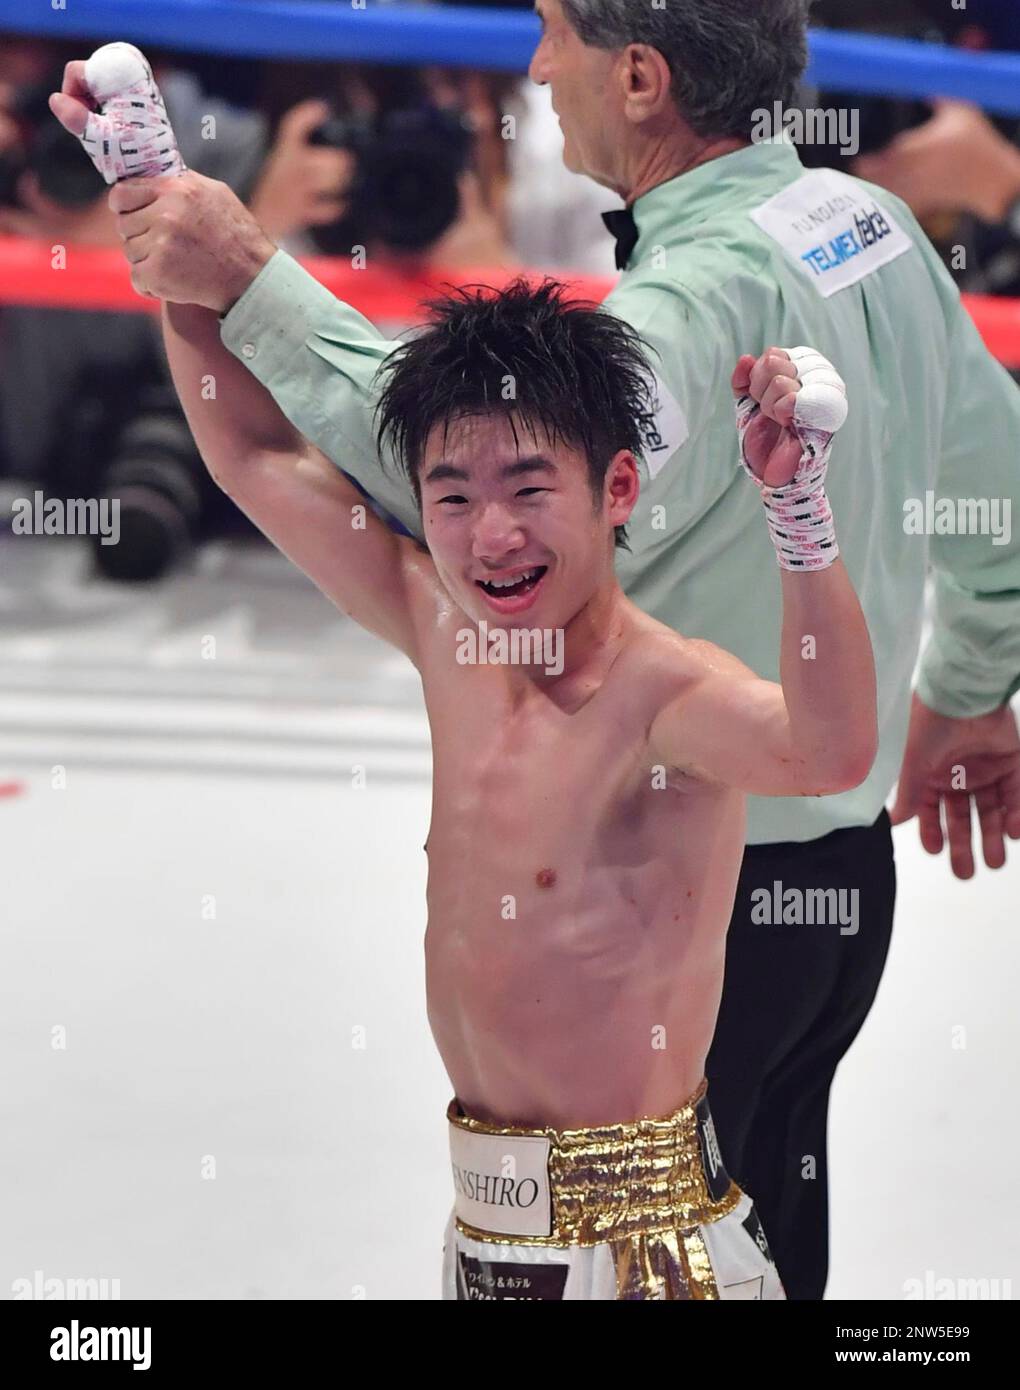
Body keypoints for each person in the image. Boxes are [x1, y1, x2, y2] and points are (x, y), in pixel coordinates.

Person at [51, 0, 1020, 1299]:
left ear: (638, 74)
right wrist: (966, 691)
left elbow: (442, 454)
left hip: (698, 904)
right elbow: (998, 478)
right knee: (783, 1238)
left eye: (553, 31)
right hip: (838, 891)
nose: (533, 64)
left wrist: (254, 276)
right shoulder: (866, 227)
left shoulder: (694, 306)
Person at [171, 257, 873, 1297]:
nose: (490, 536)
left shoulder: (664, 694)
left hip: (644, 1251)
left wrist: (800, 510)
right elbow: (250, 454)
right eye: (451, 496)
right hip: (487, 1234)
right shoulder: (444, 632)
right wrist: (159, 224)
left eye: (529, 489)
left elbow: (830, 750)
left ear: (618, 487)